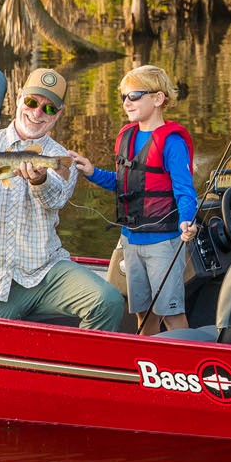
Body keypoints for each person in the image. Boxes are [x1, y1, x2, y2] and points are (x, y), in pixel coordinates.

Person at [0, 67, 125, 331]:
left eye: (49, 109)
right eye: (32, 102)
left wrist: (39, 180)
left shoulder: (61, 158)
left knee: (108, 301)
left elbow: (55, 201)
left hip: (43, 274)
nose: (37, 113)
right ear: (19, 99)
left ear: (58, 115)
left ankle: (79, 368)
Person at [71, 65, 199, 334]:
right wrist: (92, 172)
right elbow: (122, 183)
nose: (127, 102)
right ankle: (148, 365)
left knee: (172, 315)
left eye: (135, 95)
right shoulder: (126, 136)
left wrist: (187, 220)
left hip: (163, 242)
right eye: (124, 97)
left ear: (158, 98)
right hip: (130, 239)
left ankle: (183, 369)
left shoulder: (172, 142)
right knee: (144, 313)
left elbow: (185, 191)